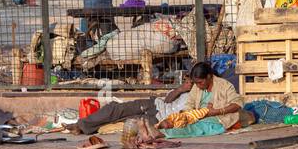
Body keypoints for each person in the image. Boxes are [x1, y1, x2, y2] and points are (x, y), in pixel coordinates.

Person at [73, 60, 241, 141]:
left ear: (210, 77)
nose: (198, 85)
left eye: (200, 82)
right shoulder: (195, 88)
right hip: (155, 105)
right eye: (195, 83)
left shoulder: (223, 86)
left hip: (159, 118)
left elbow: (237, 104)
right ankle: (81, 125)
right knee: (116, 108)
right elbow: (178, 103)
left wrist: (216, 111)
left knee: (130, 122)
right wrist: (182, 89)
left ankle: (149, 133)